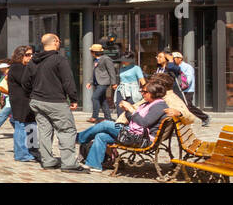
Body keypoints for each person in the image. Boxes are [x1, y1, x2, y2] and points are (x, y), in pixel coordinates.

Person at [75, 80, 173, 173]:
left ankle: (79, 138)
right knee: (101, 136)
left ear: (154, 93)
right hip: (134, 133)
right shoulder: (148, 104)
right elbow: (133, 119)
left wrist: (131, 110)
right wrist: (127, 110)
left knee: (106, 124)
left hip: (142, 139)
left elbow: (143, 122)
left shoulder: (159, 106)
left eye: (144, 92)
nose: (142, 93)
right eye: (142, 91)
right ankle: (94, 165)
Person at [29, 32, 84, 171]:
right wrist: (74, 99)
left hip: (37, 101)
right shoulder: (59, 60)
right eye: (58, 41)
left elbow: (25, 82)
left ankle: (47, 160)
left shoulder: (33, 61)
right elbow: (68, 81)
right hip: (55, 101)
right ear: (55, 42)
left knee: (44, 132)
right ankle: (69, 163)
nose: (59, 43)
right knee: (67, 130)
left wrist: (33, 94)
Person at [156, 51, 209, 125]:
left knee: (187, 106)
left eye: (160, 57)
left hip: (184, 90)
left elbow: (188, 80)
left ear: (180, 59)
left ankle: (204, 117)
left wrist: (170, 60)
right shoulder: (161, 68)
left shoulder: (178, 67)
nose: (157, 58)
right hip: (170, 92)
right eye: (157, 57)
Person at [86, 43, 118, 122]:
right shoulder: (95, 60)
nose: (91, 53)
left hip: (104, 82)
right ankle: (108, 118)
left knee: (94, 97)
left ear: (94, 52)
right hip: (98, 83)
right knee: (103, 101)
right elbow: (94, 72)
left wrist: (114, 83)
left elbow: (112, 71)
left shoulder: (106, 59)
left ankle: (94, 116)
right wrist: (90, 82)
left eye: (91, 51)